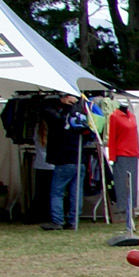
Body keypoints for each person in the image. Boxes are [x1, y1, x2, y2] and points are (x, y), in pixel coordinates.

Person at [41, 94, 88, 229]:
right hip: (80, 159)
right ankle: (74, 221)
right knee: (76, 192)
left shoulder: (59, 118)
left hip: (64, 160)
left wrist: (59, 100)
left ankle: (58, 221)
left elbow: (44, 106)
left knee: (57, 191)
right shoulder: (81, 118)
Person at [104, 102, 139, 235]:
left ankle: (131, 215)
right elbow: (112, 138)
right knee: (123, 185)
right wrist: (112, 157)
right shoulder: (115, 117)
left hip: (133, 154)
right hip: (122, 154)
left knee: (132, 185)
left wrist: (137, 153)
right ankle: (126, 215)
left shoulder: (132, 116)